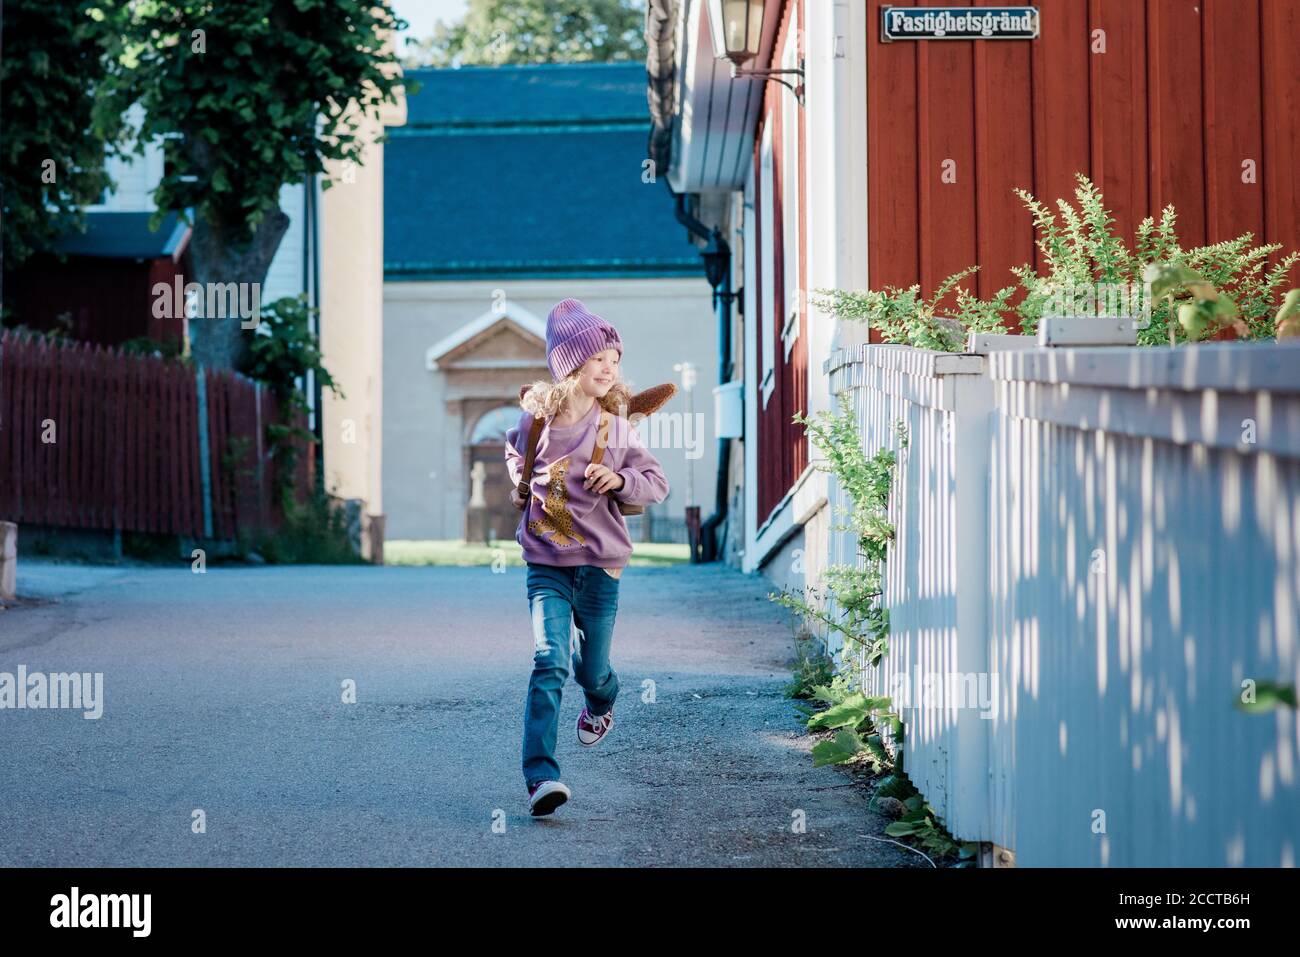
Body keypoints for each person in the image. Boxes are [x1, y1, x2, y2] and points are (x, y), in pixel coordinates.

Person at [504, 298, 669, 816]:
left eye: (614, 360)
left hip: (600, 567)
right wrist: (522, 479)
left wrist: (618, 479)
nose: (609, 368)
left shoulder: (615, 429)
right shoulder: (534, 425)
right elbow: (513, 453)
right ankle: (541, 777)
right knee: (548, 659)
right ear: (570, 363)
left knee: (592, 671)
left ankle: (601, 700)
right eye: (599, 357)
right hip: (547, 564)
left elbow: (655, 482)